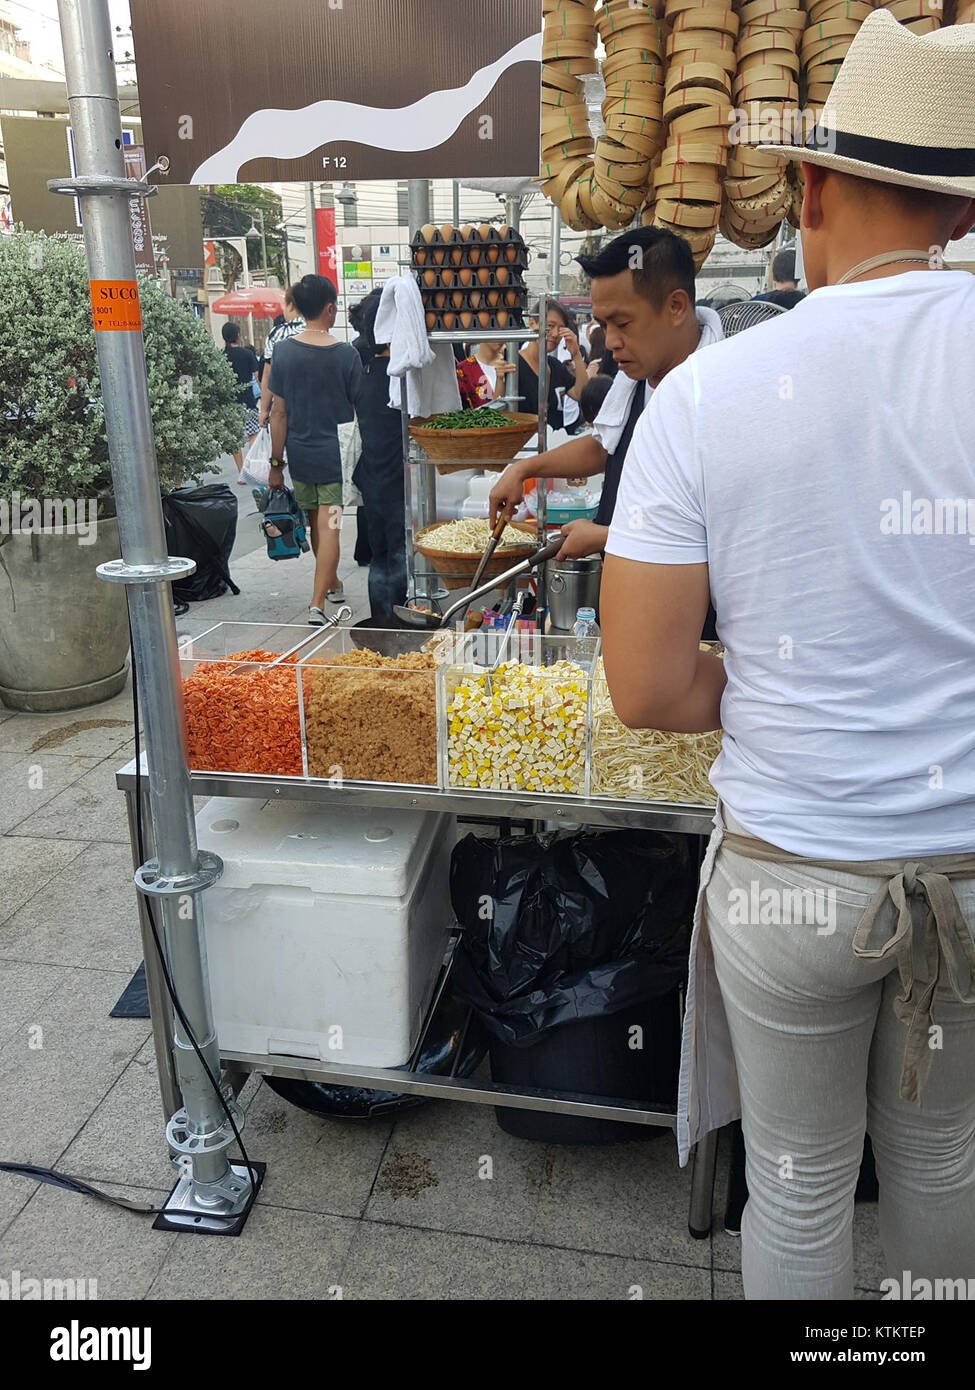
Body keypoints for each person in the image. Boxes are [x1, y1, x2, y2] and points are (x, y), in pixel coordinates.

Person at [600, 9, 975, 1300]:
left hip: (791, 875)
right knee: (943, 1156)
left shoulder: (707, 396)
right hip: (968, 866)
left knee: (799, 1180)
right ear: (958, 213)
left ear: (809, 189)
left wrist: (764, 679)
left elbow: (647, 686)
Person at [490, 227, 723, 563]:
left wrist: (608, 536)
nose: (611, 341)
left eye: (623, 324)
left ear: (675, 306)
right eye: (603, 325)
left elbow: (720, 533)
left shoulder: (721, 398)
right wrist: (522, 469)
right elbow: (604, 447)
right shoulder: (636, 380)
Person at [267, 274, 363, 623]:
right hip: (335, 458)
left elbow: (278, 412)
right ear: (329, 308)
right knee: (331, 525)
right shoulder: (347, 355)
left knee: (314, 525)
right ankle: (317, 603)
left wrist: (275, 464)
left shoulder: (283, 352)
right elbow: (359, 408)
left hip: (300, 455)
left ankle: (331, 584)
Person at [350, 286, 408, 620]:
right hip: (394, 479)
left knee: (381, 557)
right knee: (396, 557)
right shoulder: (396, 378)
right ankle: (394, 622)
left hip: (373, 478)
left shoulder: (365, 370)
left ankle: (381, 621)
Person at [517, 301, 587, 432]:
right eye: (550, 326)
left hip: (553, 440)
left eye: (560, 329)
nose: (555, 334)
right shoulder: (514, 366)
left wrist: (576, 354)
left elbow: (582, 394)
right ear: (532, 324)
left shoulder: (555, 366)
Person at [258, 286, 305, 427]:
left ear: (291, 306)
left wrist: (264, 410)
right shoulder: (319, 331)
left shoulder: (278, 334)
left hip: (286, 408)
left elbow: (268, 374)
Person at [221, 321, 260, 482]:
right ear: (238, 335)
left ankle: (241, 472)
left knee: (235, 439)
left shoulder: (221, 357)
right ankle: (249, 467)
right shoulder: (248, 354)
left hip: (230, 404)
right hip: (248, 402)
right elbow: (258, 377)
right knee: (253, 434)